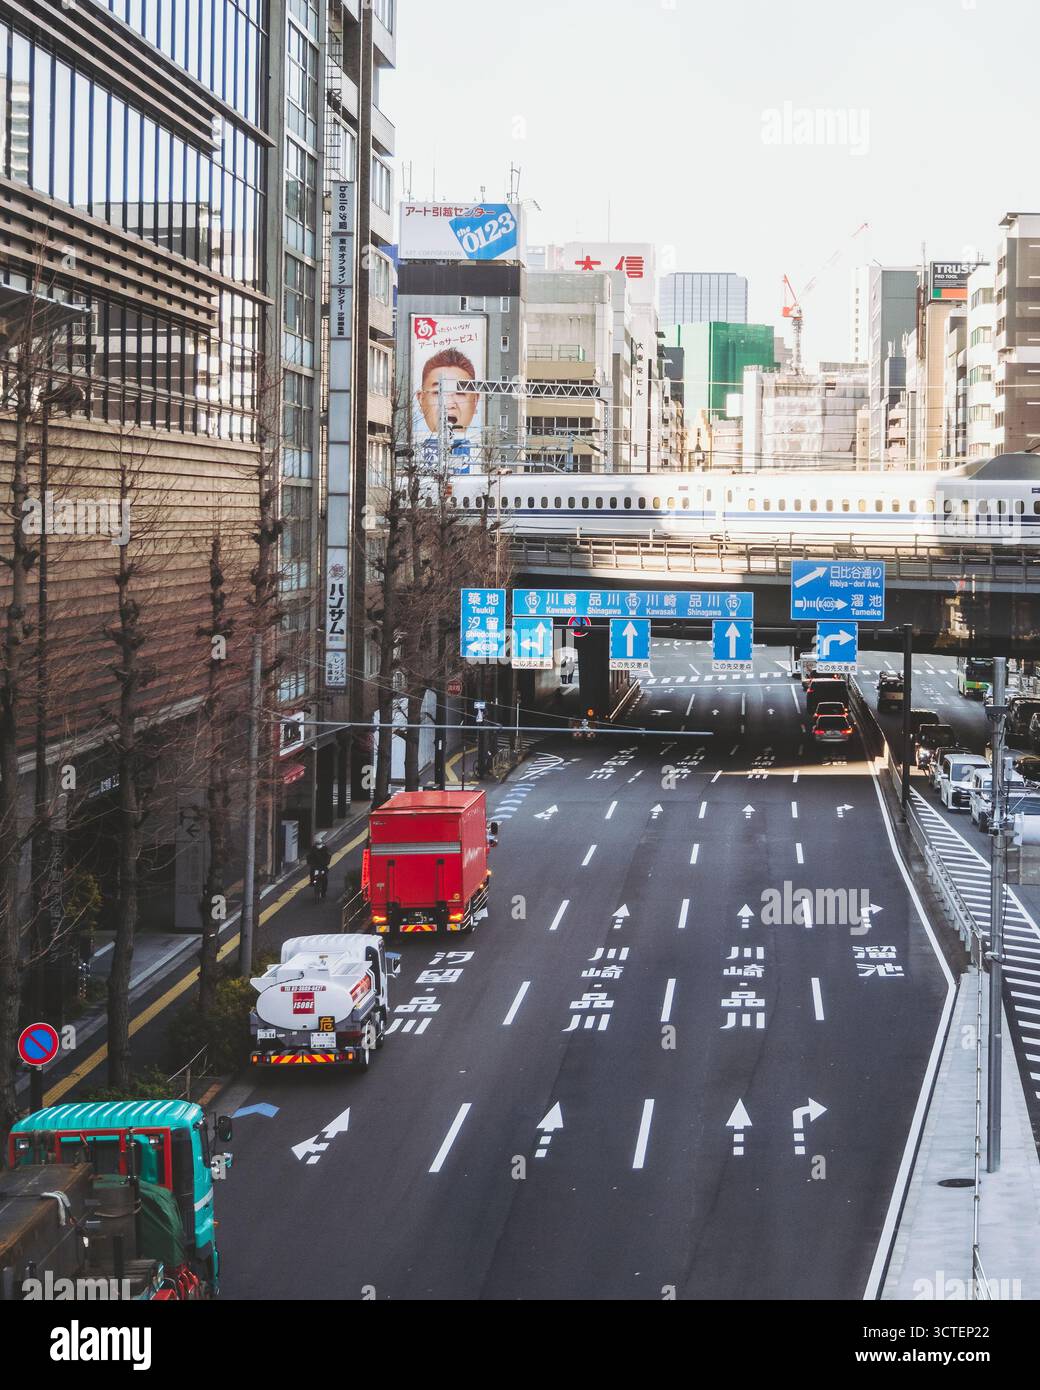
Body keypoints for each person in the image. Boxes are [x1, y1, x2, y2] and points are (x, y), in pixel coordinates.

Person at [415, 348, 479, 465]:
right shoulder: (414, 450)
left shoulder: (479, 451)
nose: (449, 404)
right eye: (438, 392)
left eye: (460, 393)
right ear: (420, 398)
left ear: (475, 401)